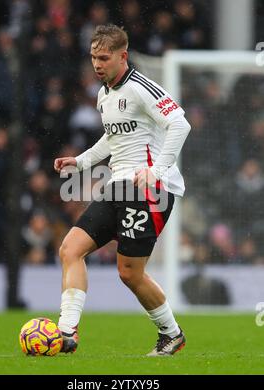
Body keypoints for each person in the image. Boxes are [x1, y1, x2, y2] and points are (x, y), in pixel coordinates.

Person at [54, 24, 191, 356]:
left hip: (148, 191)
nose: (97, 64)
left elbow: (180, 124)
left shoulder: (142, 87)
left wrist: (157, 170)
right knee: (70, 249)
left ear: (122, 56)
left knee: (129, 273)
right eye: (93, 58)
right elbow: (113, 138)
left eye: (104, 58)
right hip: (118, 186)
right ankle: (66, 333)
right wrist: (82, 161)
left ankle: (171, 334)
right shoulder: (104, 94)